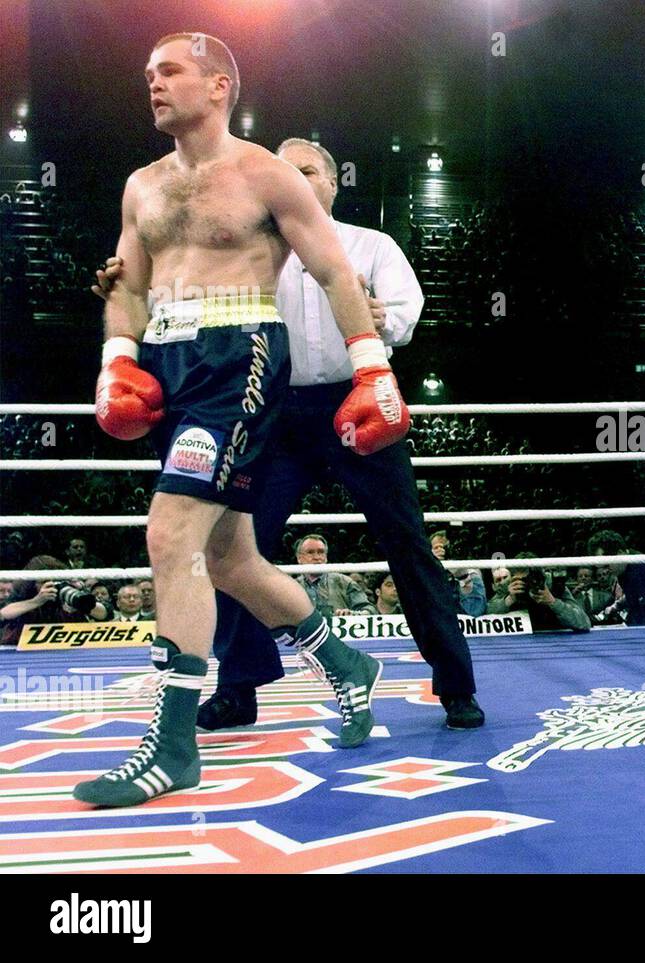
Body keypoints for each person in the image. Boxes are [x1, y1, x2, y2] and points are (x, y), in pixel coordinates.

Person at [76, 32, 406, 808]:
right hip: (169, 360)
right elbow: (127, 280)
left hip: (241, 355)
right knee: (228, 557)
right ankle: (347, 664)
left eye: (169, 72)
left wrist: (371, 365)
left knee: (169, 533)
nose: (152, 84)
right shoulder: (142, 186)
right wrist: (116, 358)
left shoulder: (264, 173)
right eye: (147, 74)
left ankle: (172, 746)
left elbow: (330, 264)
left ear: (218, 85)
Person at [95, 133, 482, 732]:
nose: (293, 178)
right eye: (284, 169)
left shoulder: (369, 245)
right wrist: (132, 287)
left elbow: (407, 310)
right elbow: (179, 288)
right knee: (236, 547)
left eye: (306, 170)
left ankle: (456, 685)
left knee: (406, 541)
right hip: (267, 406)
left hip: (352, 401)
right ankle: (239, 687)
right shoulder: (248, 244)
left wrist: (382, 320)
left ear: (330, 183)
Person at [1, 557, 111, 646]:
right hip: (23, 651)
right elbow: (2, 614)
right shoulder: (23, 597)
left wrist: (81, 600)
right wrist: (37, 601)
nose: (52, 585)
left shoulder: (69, 593)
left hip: (68, 650)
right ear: (33, 584)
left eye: (56, 580)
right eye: (44, 581)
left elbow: (106, 613)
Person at [486, 555, 590, 631]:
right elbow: (486, 614)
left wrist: (553, 602)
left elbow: (584, 623)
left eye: (529, 579)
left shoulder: (551, 584)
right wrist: (509, 600)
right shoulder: (511, 586)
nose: (527, 584)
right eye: (523, 580)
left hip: (554, 641)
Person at [293, 535, 375, 617]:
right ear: (299, 558)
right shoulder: (291, 586)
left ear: (326, 557)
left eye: (321, 552)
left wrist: (352, 614)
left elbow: (370, 610)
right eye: (310, 552)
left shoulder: (344, 582)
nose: (317, 557)